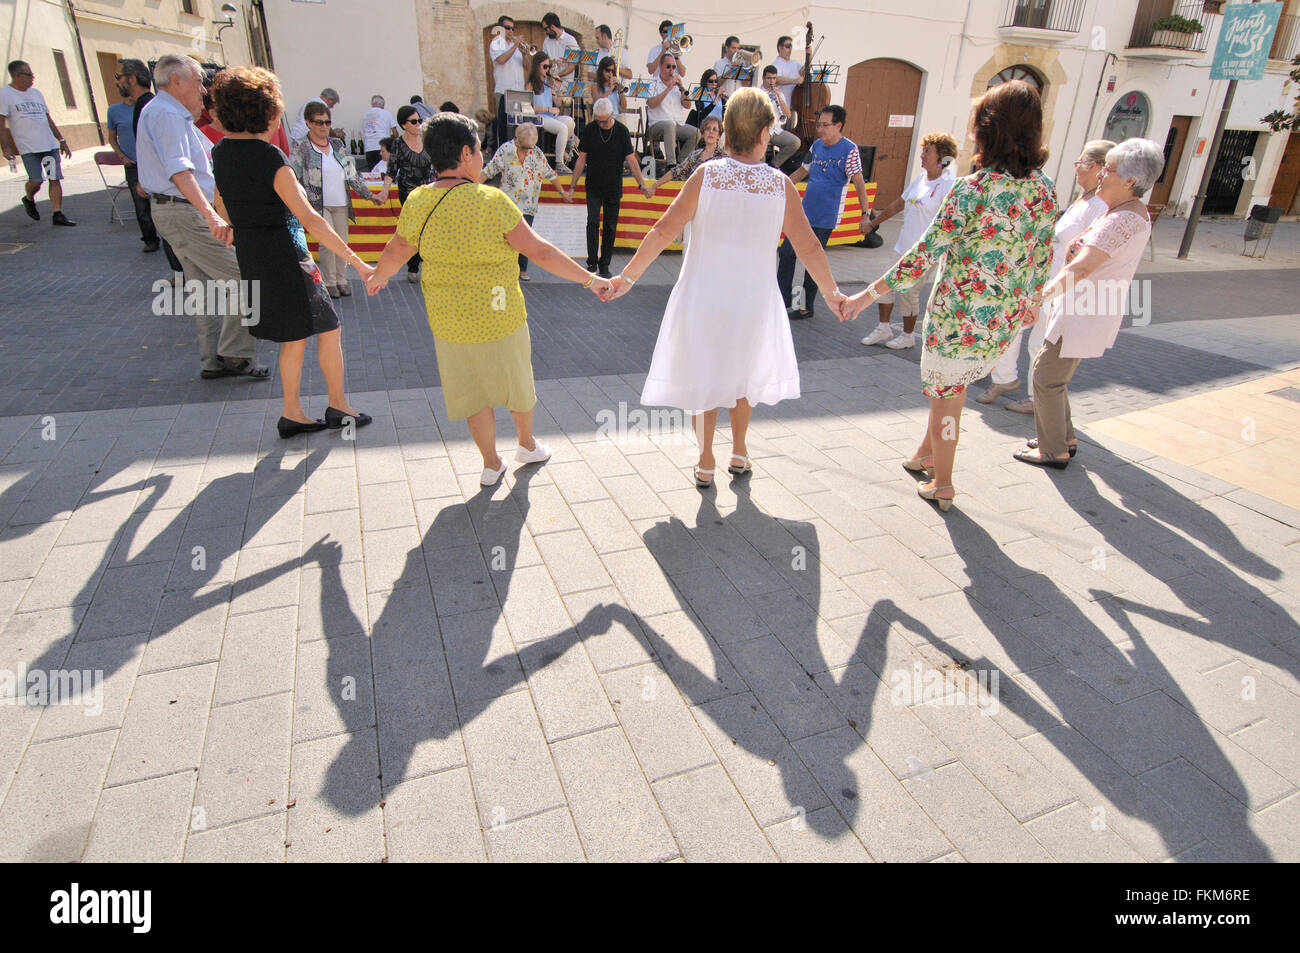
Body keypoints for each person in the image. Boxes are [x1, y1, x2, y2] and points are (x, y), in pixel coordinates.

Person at [605, 88, 847, 486]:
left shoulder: (706, 175)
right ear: (766, 130)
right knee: (743, 375)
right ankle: (739, 451)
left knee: (706, 374)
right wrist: (834, 293)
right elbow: (808, 246)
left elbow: (664, 229)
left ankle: (705, 460)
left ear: (730, 127)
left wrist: (627, 277)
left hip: (705, 295)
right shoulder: (779, 185)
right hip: (752, 299)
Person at [842, 80, 1057, 512]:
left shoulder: (971, 190)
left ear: (988, 131)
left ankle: (942, 483)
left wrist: (866, 296)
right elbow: (1042, 253)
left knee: (947, 399)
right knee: (948, 390)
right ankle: (925, 454)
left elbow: (922, 256)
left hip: (959, 315)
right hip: (1001, 318)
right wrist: (1031, 301)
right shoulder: (1044, 188)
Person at [364, 112, 613, 485]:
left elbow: (398, 248)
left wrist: (377, 277)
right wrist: (590, 280)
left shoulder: (417, 200)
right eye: (480, 149)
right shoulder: (492, 200)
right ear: (466, 154)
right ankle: (526, 444)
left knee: (471, 392)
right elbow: (540, 252)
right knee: (517, 384)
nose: (483, 156)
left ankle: (491, 462)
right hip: (499, 314)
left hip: (448, 320)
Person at [210, 68, 373, 439]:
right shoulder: (270, 158)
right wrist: (358, 263)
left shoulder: (221, 152)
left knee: (292, 337)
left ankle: (293, 412)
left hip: (253, 256)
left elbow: (221, 206)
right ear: (267, 112)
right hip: (288, 255)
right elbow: (311, 220)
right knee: (329, 329)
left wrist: (233, 226)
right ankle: (337, 405)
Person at [1014, 139, 1164, 470]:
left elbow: (1081, 267)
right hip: (1087, 308)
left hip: (1083, 310)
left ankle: (1054, 450)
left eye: (1107, 169)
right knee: (1055, 375)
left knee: (1045, 377)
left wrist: (1038, 297)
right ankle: (1063, 438)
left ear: (1129, 180)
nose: (1100, 175)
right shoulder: (1126, 211)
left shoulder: (1121, 219)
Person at [136, 54, 268, 380]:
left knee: (204, 289)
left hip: (177, 210)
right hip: (185, 211)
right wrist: (210, 215)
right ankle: (234, 354)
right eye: (198, 81)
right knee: (245, 279)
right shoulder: (166, 113)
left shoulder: (168, 112)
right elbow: (180, 170)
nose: (204, 89)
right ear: (176, 81)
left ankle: (213, 360)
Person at [983, 138, 1114, 413]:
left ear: (1096, 167)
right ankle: (1005, 379)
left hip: (1062, 288)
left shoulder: (1100, 206)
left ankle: (1036, 398)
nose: (1076, 168)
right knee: (1012, 328)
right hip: (1041, 281)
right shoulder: (1083, 199)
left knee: (1039, 343)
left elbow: (1088, 254)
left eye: (1080, 163)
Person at [859, 132, 959, 350]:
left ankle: (907, 335)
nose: (922, 155)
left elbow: (952, 222)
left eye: (927, 151)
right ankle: (884, 327)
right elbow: (897, 205)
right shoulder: (920, 180)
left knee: (908, 292)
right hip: (902, 247)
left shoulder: (948, 185)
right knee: (883, 284)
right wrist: (873, 223)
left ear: (942, 157)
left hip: (926, 252)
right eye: (923, 150)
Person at [777, 105, 870, 319]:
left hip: (826, 215)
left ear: (838, 126)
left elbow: (859, 182)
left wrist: (866, 213)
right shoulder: (817, 146)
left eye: (825, 125)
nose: (820, 129)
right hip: (805, 211)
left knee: (813, 261)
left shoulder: (849, 149)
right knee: (787, 253)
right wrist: (779, 188)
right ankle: (783, 300)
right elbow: (801, 172)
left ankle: (805, 306)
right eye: (819, 124)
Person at [289, 100, 384, 298]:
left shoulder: (337, 145)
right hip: (318, 204)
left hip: (341, 202)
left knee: (343, 242)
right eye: (319, 122)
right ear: (308, 122)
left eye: (327, 122)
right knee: (326, 244)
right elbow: (294, 175)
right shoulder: (303, 148)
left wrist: (369, 195)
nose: (324, 126)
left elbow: (352, 174)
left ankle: (343, 280)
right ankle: (330, 282)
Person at [564, 98, 650, 278]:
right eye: (597, 120)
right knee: (593, 222)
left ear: (611, 115)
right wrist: (572, 186)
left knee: (610, 226)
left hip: (613, 186)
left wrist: (641, 183)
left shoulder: (621, 131)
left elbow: (631, 159)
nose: (600, 123)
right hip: (594, 184)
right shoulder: (590, 129)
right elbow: (581, 159)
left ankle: (605, 265)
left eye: (603, 120)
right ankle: (592, 263)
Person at [480, 122, 558, 280]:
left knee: (525, 237)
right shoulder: (506, 150)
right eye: (525, 147)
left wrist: (563, 191)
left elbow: (550, 173)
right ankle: (504, 267)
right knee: (506, 237)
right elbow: (489, 169)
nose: (528, 150)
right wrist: (473, 186)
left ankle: (522, 269)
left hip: (528, 204)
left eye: (530, 147)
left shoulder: (536, 153)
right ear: (517, 139)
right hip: (508, 202)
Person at [1, 60, 75, 226]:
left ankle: (58, 213)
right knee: (36, 179)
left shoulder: (36, 93)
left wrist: (61, 140)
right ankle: (28, 198)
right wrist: (5, 148)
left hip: (49, 145)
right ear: (18, 76)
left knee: (54, 177)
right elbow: (1, 124)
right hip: (28, 147)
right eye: (29, 75)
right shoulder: (5, 94)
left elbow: (48, 118)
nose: (33, 78)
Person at [377, 105, 435, 282]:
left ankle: (430, 265)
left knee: (429, 229)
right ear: (403, 124)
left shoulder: (427, 139)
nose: (418, 124)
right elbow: (392, 169)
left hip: (429, 191)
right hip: (409, 193)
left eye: (420, 120)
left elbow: (438, 165)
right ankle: (413, 267)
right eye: (414, 121)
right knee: (415, 230)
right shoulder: (398, 144)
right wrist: (384, 190)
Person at [106, 59, 160, 251]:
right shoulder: (114, 110)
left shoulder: (152, 105)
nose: (116, 82)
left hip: (156, 166)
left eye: (118, 77)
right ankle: (150, 239)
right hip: (133, 164)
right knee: (141, 206)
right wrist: (122, 157)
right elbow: (112, 138)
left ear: (132, 79)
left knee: (162, 206)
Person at [647, 115, 725, 195]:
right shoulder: (695, 155)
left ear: (719, 135)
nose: (711, 132)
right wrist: (654, 185)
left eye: (715, 129)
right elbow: (675, 172)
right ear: (703, 133)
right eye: (708, 128)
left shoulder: (723, 157)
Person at [646, 53, 698, 167]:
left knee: (696, 133)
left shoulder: (676, 84)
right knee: (669, 125)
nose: (671, 70)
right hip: (657, 125)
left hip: (676, 124)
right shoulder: (653, 83)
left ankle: (681, 162)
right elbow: (651, 103)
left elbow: (688, 105)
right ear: (660, 66)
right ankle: (671, 164)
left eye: (673, 67)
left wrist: (681, 88)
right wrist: (669, 88)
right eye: (668, 66)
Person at [526, 54, 575, 173]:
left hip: (550, 117)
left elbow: (558, 103)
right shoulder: (531, 84)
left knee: (570, 122)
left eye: (549, 67)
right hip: (539, 117)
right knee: (563, 128)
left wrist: (557, 89)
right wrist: (548, 110)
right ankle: (559, 163)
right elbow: (529, 107)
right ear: (537, 66)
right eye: (545, 66)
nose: (547, 69)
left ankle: (561, 148)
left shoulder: (548, 84)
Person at [489, 15, 529, 153]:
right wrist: (516, 46)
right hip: (504, 91)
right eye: (508, 28)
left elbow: (527, 66)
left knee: (519, 127)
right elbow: (501, 60)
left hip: (519, 92)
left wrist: (524, 54)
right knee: (505, 127)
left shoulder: (516, 46)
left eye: (513, 28)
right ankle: (504, 156)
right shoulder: (496, 43)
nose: (511, 31)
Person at [760, 65, 800, 169]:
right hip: (761, 130)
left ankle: (774, 165)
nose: (771, 81)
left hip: (775, 129)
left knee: (795, 142)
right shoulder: (757, 93)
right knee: (760, 151)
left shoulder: (779, 94)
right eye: (769, 78)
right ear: (763, 78)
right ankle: (761, 168)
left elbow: (788, 114)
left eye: (774, 78)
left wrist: (779, 97)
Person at [361, 95, 399, 167]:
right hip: (382, 148)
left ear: (372, 104)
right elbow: (395, 133)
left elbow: (363, 133)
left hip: (369, 148)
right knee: (384, 172)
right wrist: (391, 137)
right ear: (382, 104)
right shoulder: (386, 113)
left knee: (373, 174)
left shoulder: (365, 115)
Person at [541, 12, 579, 82]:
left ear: (552, 26)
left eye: (546, 29)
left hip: (565, 85)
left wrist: (558, 75)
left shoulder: (570, 40)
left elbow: (572, 67)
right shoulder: (546, 41)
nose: (546, 32)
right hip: (550, 83)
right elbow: (543, 62)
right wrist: (553, 61)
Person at [770, 36, 804, 110]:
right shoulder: (776, 64)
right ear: (780, 48)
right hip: (779, 107)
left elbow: (803, 71)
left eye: (791, 46)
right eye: (788, 46)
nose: (790, 49)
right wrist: (795, 81)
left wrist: (809, 55)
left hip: (793, 106)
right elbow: (777, 79)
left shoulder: (794, 63)